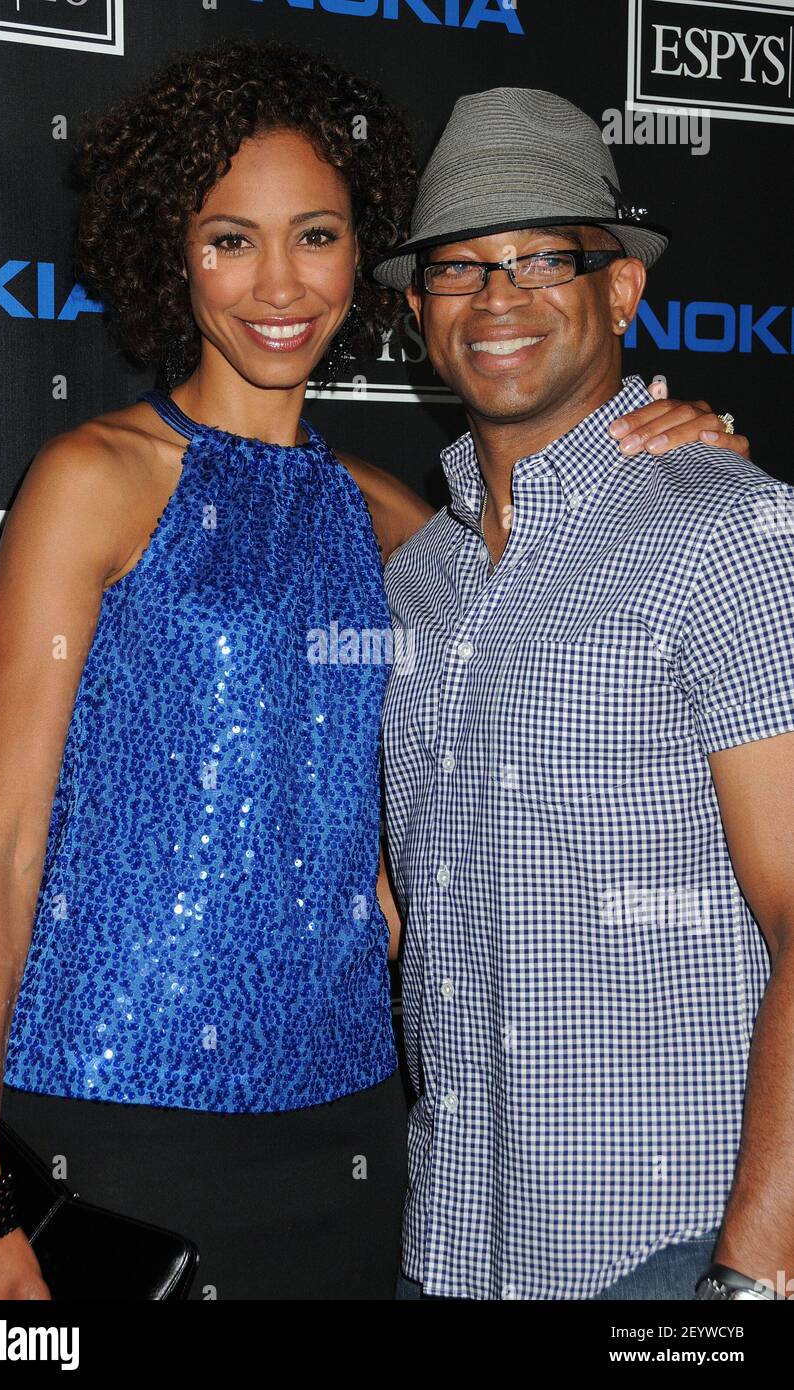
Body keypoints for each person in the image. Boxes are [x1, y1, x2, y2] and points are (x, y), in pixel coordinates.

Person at [0, 42, 749, 1302]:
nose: (276, 282)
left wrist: (684, 442)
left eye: (312, 235)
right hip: (114, 1116)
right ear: (175, 253)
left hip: (360, 1133)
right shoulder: (89, 482)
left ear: (361, 258)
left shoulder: (387, 516)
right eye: (228, 239)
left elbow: (558, 556)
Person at [372, 87, 794, 1301]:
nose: (496, 299)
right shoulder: (418, 582)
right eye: (458, 269)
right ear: (416, 310)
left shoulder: (728, 533)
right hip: (451, 1239)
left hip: (666, 1254)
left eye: (541, 258)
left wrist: (749, 1276)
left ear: (620, 290)